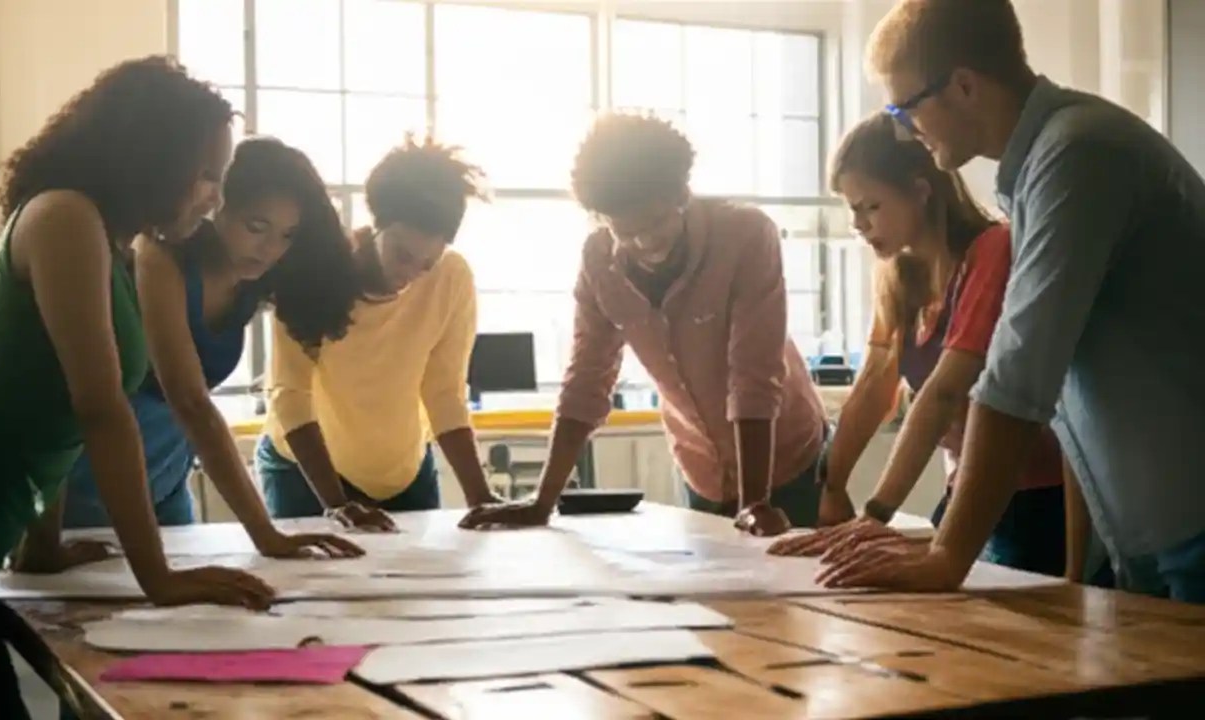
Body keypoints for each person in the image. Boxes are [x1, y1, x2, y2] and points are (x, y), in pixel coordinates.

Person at [0, 56, 340, 717]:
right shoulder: (65, 217)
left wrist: (44, 547)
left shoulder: (107, 239)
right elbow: (99, 408)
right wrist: (159, 578)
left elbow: (53, 406)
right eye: (207, 175)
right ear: (154, 156)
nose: (215, 198)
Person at [815, 0, 1205, 602]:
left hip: (1190, 523)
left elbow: (1018, 376)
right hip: (1151, 529)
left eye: (904, 108)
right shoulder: (1041, 164)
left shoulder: (1078, 153)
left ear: (963, 86)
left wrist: (946, 554)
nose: (903, 130)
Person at [460, 113, 828, 536]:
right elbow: (586, 380)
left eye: (655, 225)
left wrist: (754, 504)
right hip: (703, 471)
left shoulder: (744, 234)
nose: (645, 244)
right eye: (625, 231)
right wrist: (542, 503)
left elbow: (753, 373)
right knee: (718, 578)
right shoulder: (599, 261)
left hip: (788, 460)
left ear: (681, 195)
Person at [768, 113, 1068, 578]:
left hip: (1034, 492)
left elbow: (943, 394)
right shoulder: (897, 275)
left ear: (921, 190)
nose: (859, 224)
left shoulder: (992, 250)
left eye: (871, 206)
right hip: (964, 486)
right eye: (851, 209)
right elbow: (873, 388)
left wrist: (876, 513)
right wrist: (833, 487)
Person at [52, 137, 364, 562]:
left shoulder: (252, 283)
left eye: (287, 235)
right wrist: (265, 535)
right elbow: (190, 401)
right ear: (215, 205)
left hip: (168, 480)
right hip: (92, 474)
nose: (270, 249)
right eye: (256, 227)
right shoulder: (158, 255)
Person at [256, 137, 499, 526]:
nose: (411, 273)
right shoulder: (313, 272)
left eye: (428, 262)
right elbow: (291, 395)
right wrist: (336, 504)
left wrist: (480, 496)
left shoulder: (451, 277)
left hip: (404, 474)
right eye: (402, 255)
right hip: (304, 471)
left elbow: (444, 392)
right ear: (377, 224)